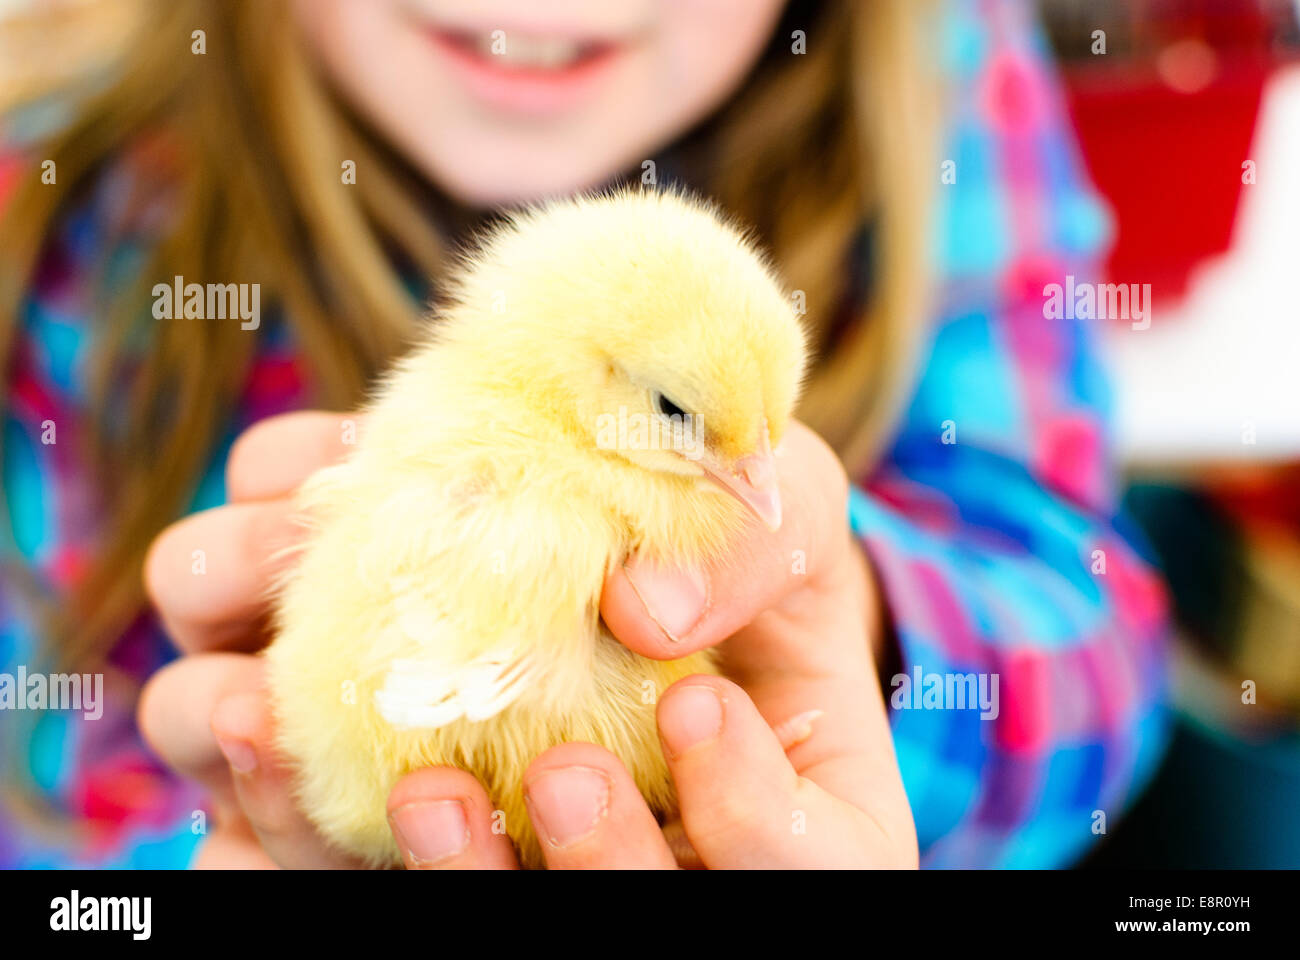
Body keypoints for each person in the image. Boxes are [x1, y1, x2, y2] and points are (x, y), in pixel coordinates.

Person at [0, 0, 1168, 868]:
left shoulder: (934, 66)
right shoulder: (77, 189)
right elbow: (42, 795)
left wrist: (861, 638)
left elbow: (1098, 649)